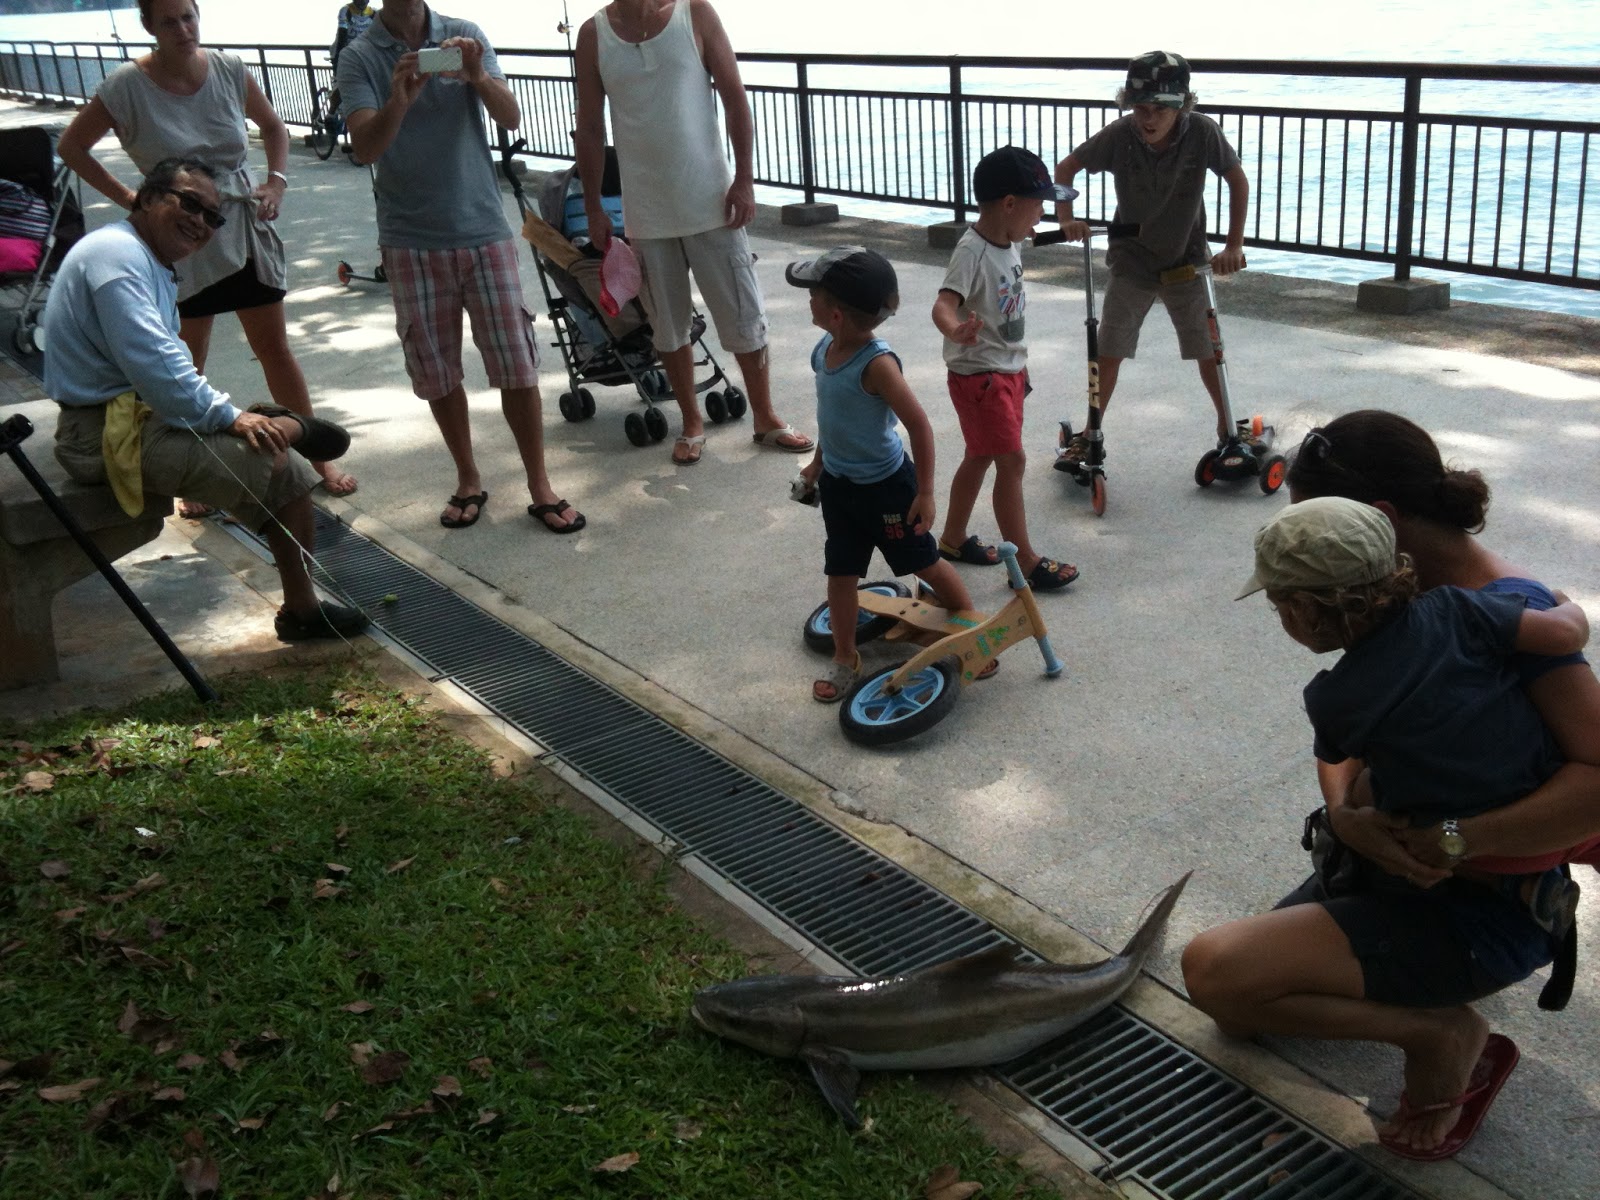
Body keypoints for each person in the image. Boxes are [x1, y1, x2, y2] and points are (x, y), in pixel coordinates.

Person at [1182, 409, 1600, 1162]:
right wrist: (1345, 815)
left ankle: (1444, 1034)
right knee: (1241, 1012)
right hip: (1392, 867)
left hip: (1483, 896)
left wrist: (1452, 841)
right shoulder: (1385, 606)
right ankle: (1414, 985)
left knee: (1219, 975)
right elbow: (1347, 741)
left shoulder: (1500, 609)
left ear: (1378, 521)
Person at [43, 157, 368, 643]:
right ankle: (290, 426)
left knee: (293, 472)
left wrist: (227, 416)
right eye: (190, 203)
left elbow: (167, 372)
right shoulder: (117, 259)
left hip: (138, 416)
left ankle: (301, 609)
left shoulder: (145, 258)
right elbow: (158, 370)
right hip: (99, 435)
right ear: (149, 197)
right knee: (273, 453)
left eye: (213, 217)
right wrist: (230, 417)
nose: (201, 221)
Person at [57, 0, 356, 506]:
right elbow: (72, 148)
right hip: (177, 236)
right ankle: (195, 472)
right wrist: (133, 200)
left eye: (189, 17)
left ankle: (316, 456)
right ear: (149, 26)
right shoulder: (125, 86)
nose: (183, 29)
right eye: (169, 21)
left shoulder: (228, 69)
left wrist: (276, 183)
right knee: (186, 357)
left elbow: (275, 127)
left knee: (275, 349)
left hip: (240, 224)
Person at [336, 0, 585, 533]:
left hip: (482, 229)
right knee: (435, 367)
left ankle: (540, 484)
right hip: (409, 239)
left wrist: (476, 76)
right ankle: (468, 477)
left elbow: (511, 116)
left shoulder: (464, 36)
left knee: (516, 362)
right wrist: (400, 100)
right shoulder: (359, 55)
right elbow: (365, 147)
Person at [574, 0, 815, 466]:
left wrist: (743, 179)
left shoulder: (694, 13)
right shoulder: (593, 34)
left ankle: (765, 418)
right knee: (667, 324)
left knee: (744, 313)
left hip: (712, 202)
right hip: (645, 212)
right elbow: (588, 126)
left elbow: (733, 95)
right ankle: (691, 422)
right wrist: (592, 209)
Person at [787, 247, 987, 703]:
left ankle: (971, 629)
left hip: (889, 489)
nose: (809, 301)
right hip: (840, 488)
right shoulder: (825, 349)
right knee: (840, 574)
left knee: (923, 561)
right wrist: (818, 466)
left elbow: (919, 425)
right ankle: (844, 657)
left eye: (813, 295)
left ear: (835, 314)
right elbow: (832, 419)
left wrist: (927, 492)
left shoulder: (877, 364)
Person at [1053, 50, 1250, 470]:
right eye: (1141, 108)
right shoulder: (1121, 135)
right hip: (1133, 260)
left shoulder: (1202, 132)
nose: (1149, 118)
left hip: (1188, 260)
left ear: (1183, 105)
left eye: (1160, 109)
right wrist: (1066, 218)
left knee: (1207, 350)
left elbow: (1237, 179)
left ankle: (1228, 426)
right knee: (1109, 350)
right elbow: (1066, 169)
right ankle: (1091, 434)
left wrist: (1233, 245)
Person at [933, 146, 1079, 592]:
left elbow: (1006, 314)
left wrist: (1021, 367)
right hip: (981, 376)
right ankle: (1027, 562)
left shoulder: (1009, 240)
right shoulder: (971, 252)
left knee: (979, 455)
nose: (1044, 214)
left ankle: (954, 540)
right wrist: (955, 329)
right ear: (1010, 204)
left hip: (1006, 370)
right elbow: (943, 304)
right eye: (1039, 205)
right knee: (1011, 461)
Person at [330, 0, 376, 71]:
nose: (362, 1)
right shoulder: (346, 10)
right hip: (348, 52)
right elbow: (342, 35)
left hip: (365, 54)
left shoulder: (374, 13)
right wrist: (338, 59)